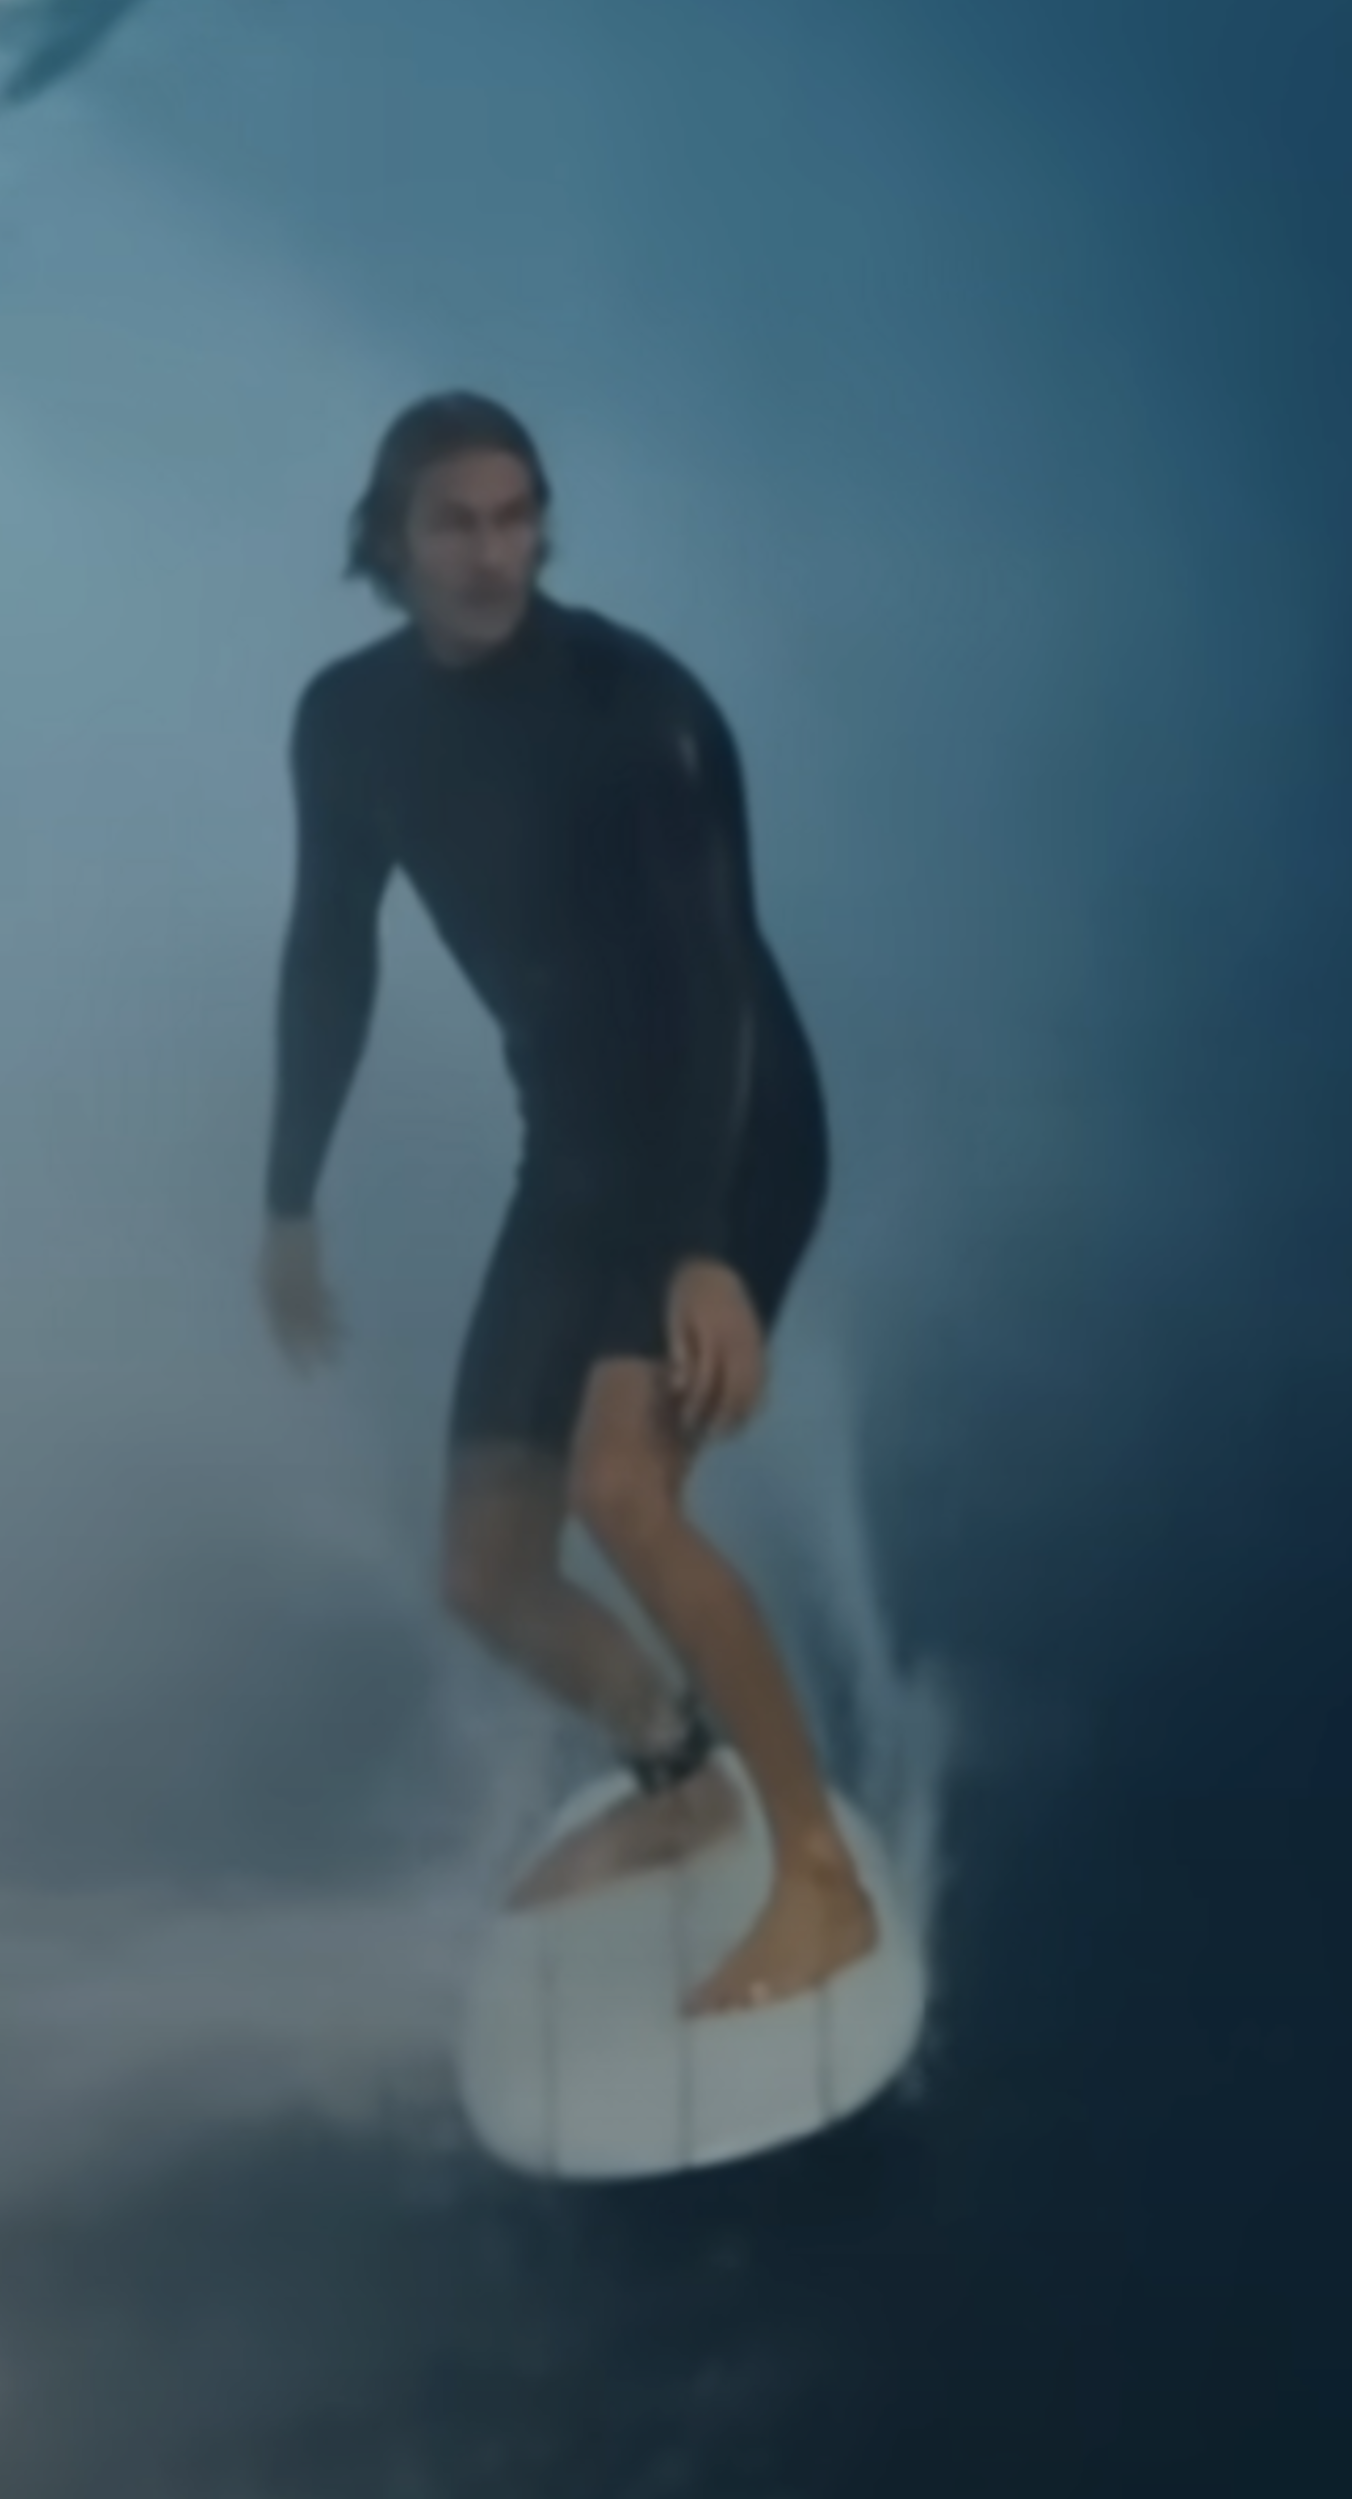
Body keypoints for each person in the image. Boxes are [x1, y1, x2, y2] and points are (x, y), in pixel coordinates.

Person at [258, 392, 881, 2016]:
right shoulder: (347, 724)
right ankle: (683, 1788)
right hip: (583, 1156)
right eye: (455, 523)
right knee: (484, 1570)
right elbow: (331, 957)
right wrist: (287, 1202)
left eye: (517, 515)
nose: (491, 552)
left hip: (730, 1138)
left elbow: (710, 995)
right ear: (388, 540)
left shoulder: (642, 712)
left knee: (625, 1492)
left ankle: (817, 1886)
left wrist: (704, 1258)